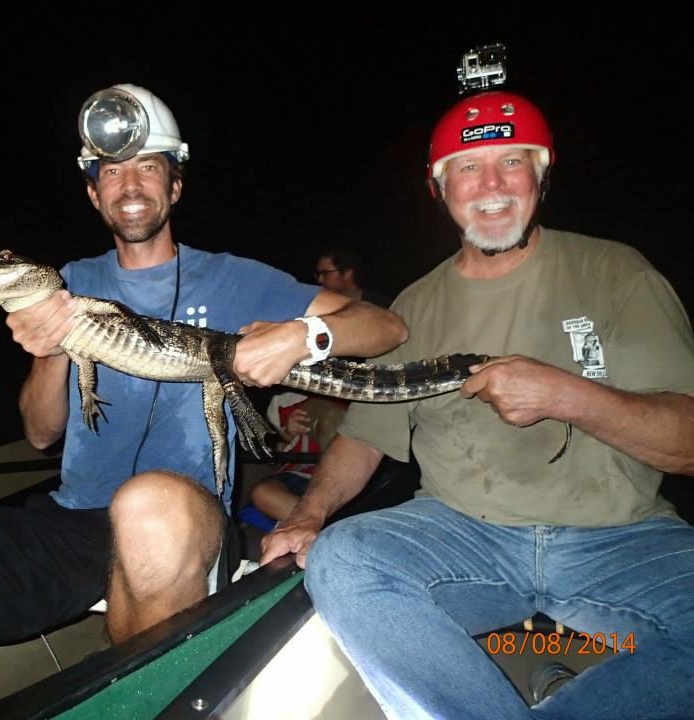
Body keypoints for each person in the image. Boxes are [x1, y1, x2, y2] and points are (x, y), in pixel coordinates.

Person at [0, 83, 407, 719]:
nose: (131, 183)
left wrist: (304, 332)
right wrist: (51, 346)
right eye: (112, 170)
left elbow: (386, 328)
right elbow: (39, 433)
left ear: (175, 186)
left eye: (149, 166)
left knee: (146, 504)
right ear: (93, 192)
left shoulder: (234, 278)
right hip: (73, 519)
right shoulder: (65, 286)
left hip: (182, 521)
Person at [262, 89, 694, 718]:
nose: (491, 183)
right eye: (467, 167)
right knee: (345, 559)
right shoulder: (411, 308)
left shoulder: (617, 273)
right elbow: (365, 436)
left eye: (511, 162)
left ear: (541, 177)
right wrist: (308, 515)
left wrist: (566, 394)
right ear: (439, 189)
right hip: (463, 535)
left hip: (621, 537)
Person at [243, 391, 348, 527]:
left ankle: (327, 524)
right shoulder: (287, 403)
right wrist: (289, 433)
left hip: (339, 474)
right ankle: (326, 524)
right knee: (262, 493)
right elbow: (279, 442)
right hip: (298, 472)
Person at [315, 246, 391, 307]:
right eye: (318, 274)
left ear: (348, 273)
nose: (320, 280)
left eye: (326, 273)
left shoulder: (378, 306)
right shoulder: (319, 306)